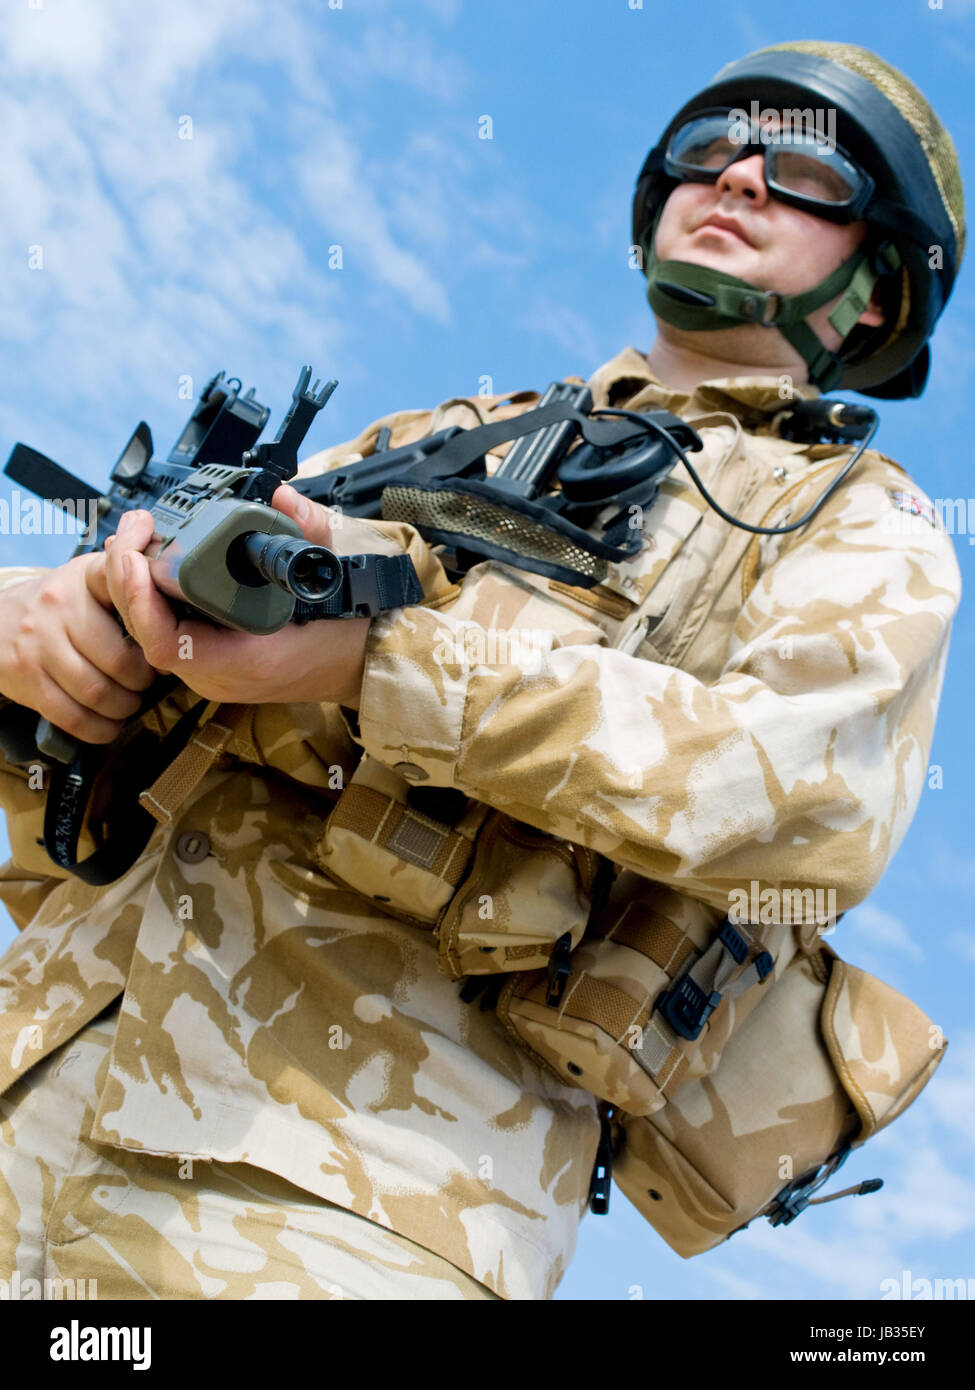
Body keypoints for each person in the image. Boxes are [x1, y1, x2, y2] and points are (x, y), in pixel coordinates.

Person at [0, 41, 964, 1300]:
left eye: (802, 171)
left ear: (877, 290)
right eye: (705, 154)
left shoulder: (854, 516)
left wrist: (382, 661)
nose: (735, 180)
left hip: (349, 1201)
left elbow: (796, 788)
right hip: (41, 1065)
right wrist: (54, 614)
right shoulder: (437, 438)